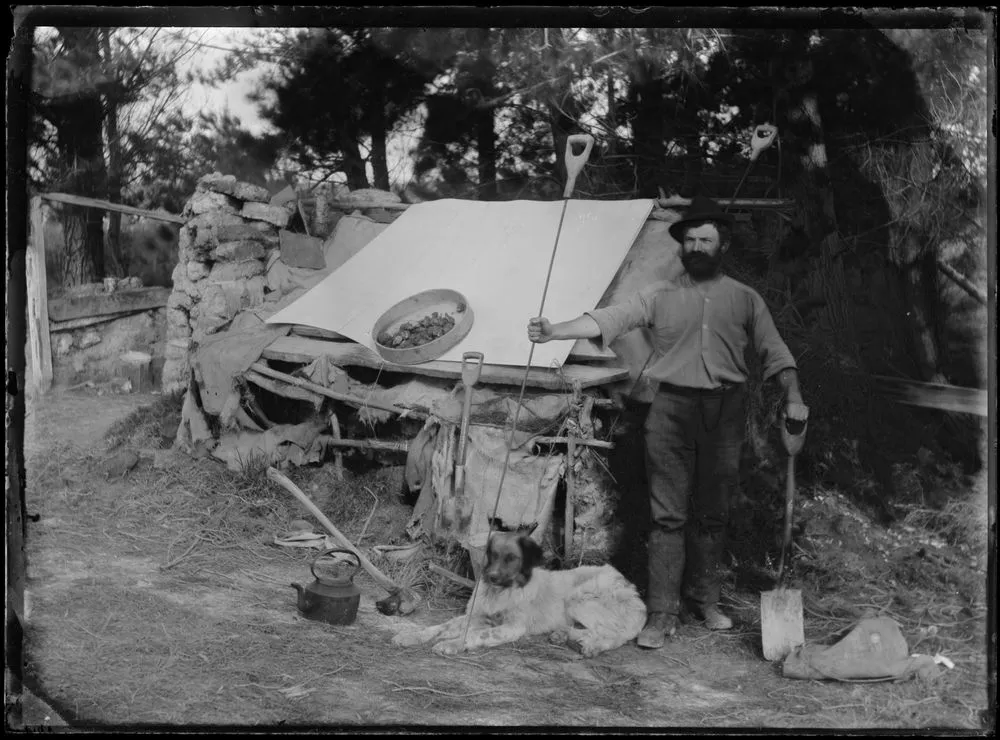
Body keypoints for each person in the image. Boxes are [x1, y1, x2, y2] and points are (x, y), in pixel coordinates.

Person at [527, 195, 809, 649]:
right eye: (690, 240)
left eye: (706, 240)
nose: (697, 247)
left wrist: (794, 396)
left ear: (723, 246)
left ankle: (706, 599)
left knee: (714, 514)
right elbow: (610, 317)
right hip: (670, 412)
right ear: (680, 247)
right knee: (668, 516)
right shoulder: (657, 297)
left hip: (725, 414)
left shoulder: (745, 299)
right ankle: (661, 615)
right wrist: (555, 330)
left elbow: (775, 351)